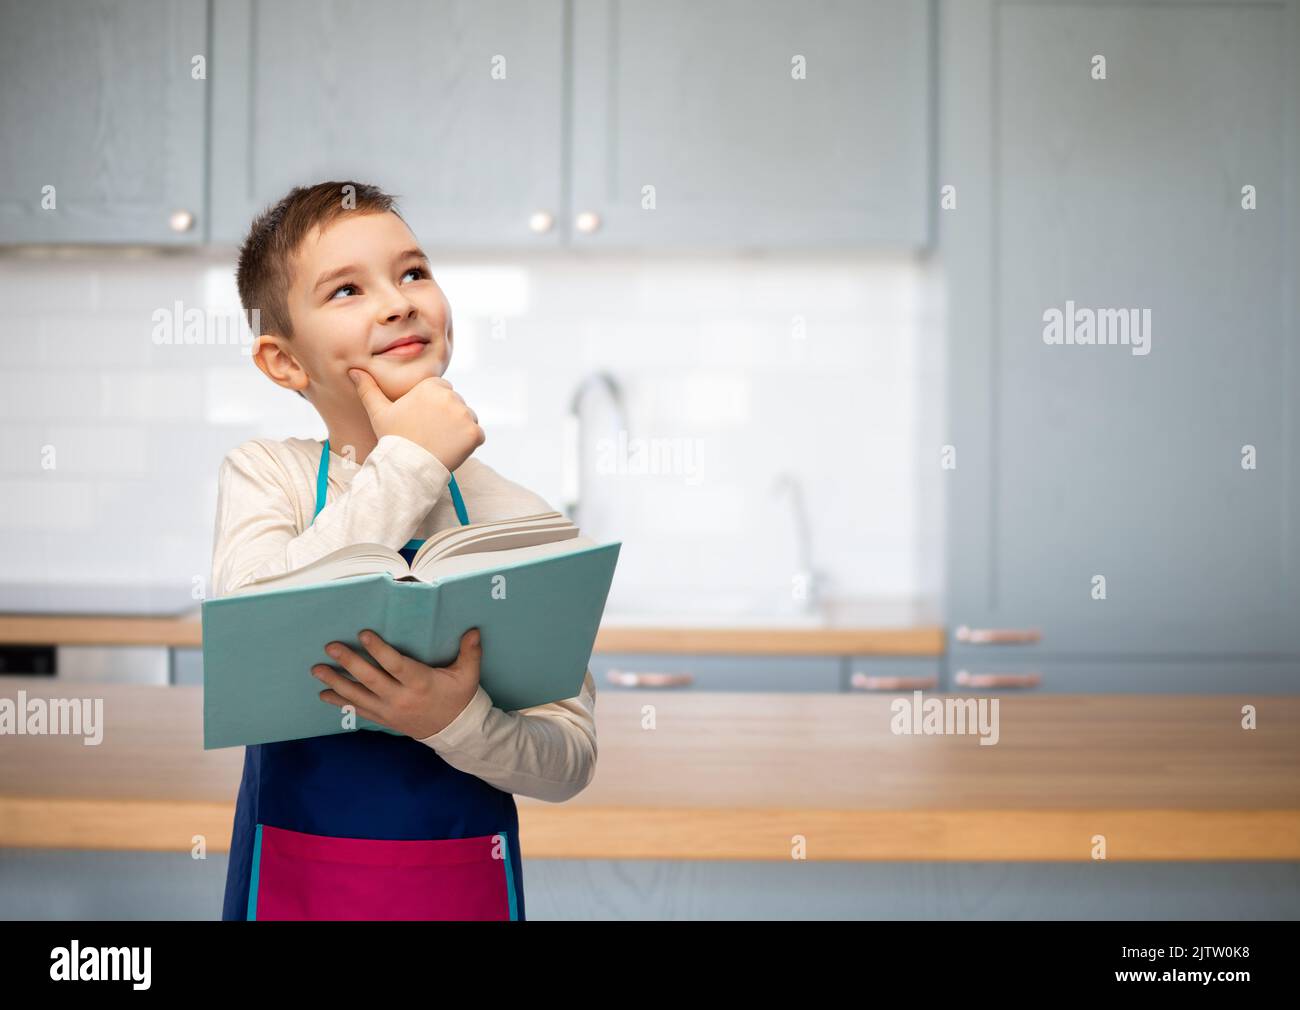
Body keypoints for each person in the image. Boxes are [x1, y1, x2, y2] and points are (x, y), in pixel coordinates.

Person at [211, 180, 597, 920]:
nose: (398, 301)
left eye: (413, 272)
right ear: (284, 361)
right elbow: (248, 624)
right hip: (298, 884)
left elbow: (570, 759)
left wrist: (454, 723)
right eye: (348, 289)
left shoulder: (518, 518)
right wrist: (412, 460)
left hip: (462, 884)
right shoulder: (270, 478)